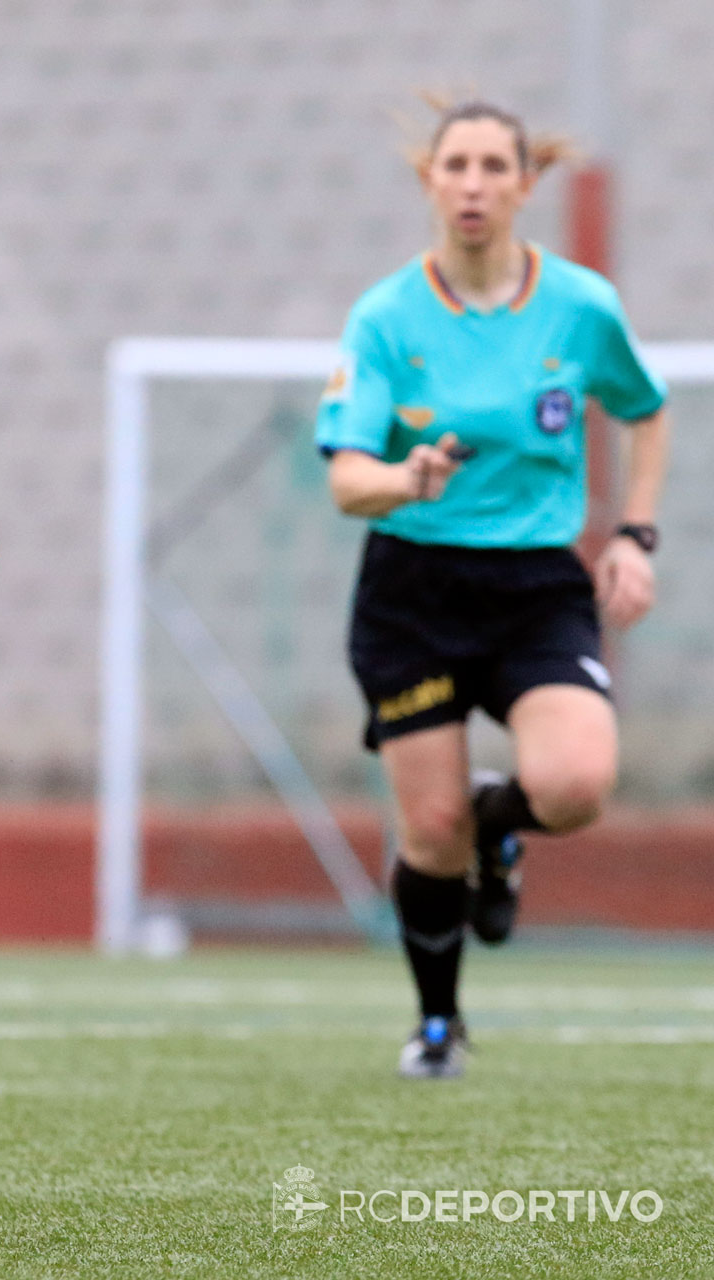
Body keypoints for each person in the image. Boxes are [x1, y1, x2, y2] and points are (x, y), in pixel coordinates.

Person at [316, 100, 668, 1079]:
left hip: (535, 585)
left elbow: (647, 411)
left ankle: (499, 821)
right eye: (455, 165)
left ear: (524, 183)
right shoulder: (386, 315)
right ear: (430, 180)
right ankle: (439, 1022)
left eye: (492, 166)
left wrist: (634, 532)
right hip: (412, 586)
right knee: (427, 830)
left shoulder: (581, 307)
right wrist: (408, 476)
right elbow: (348, 480)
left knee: (577, 784)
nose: (472, 183)